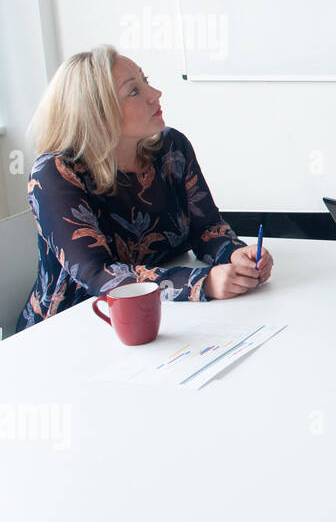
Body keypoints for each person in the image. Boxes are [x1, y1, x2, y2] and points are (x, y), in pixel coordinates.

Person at [17, 45, 272, 331]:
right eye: (134, 91)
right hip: (74, 326)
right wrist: (203, 283)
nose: (155, 94)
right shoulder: (55, 173)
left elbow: (207, 229)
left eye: (146, 81)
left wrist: (234, 254)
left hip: (163, 316)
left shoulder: (172, 148)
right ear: (97, 112)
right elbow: (97, 275)